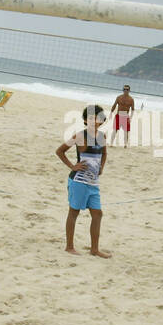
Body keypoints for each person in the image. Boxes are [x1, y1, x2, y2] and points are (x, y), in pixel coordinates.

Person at [56, 105, 110, 258]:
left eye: (98, 118)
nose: (95, 121)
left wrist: (101, 167)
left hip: (93, 182)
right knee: (74, 212)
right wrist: (73, 165)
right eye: (91, 118)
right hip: (78, 180)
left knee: (98, 214)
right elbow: (59, 151)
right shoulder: (80, 135)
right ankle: (69, 246)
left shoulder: (102, 136)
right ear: (86, 120)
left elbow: (104, 154)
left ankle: (94, 249)